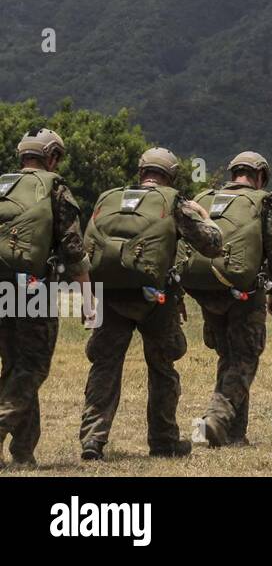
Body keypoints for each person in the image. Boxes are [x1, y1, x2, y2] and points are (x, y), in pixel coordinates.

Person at [79, 147, 224, 460]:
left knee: (104, 366)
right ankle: (164, 440)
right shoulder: (174, 201)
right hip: (156, 300)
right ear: (170, 175)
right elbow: (212, 245)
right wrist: (205, 216)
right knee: (162, 367)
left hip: (110, 295)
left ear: (141, 171)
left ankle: (92, 439)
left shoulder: (109, 198)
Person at [180, 152, 272, 447]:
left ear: (233, 173)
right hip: (245, 292)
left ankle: (234, 433)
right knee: (245, 358)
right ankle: (215, 419)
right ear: (261, 177)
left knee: (229, 356)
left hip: (207, 289)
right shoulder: (263, 201)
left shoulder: (204, 198)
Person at [0, 129, 92, 468]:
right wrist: (87, 298)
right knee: (34, 367)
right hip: (33, 290)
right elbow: (73, 249)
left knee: (15, 367)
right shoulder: (54, 188)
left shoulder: (4, 185)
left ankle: (23, 454)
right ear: (51, 156)